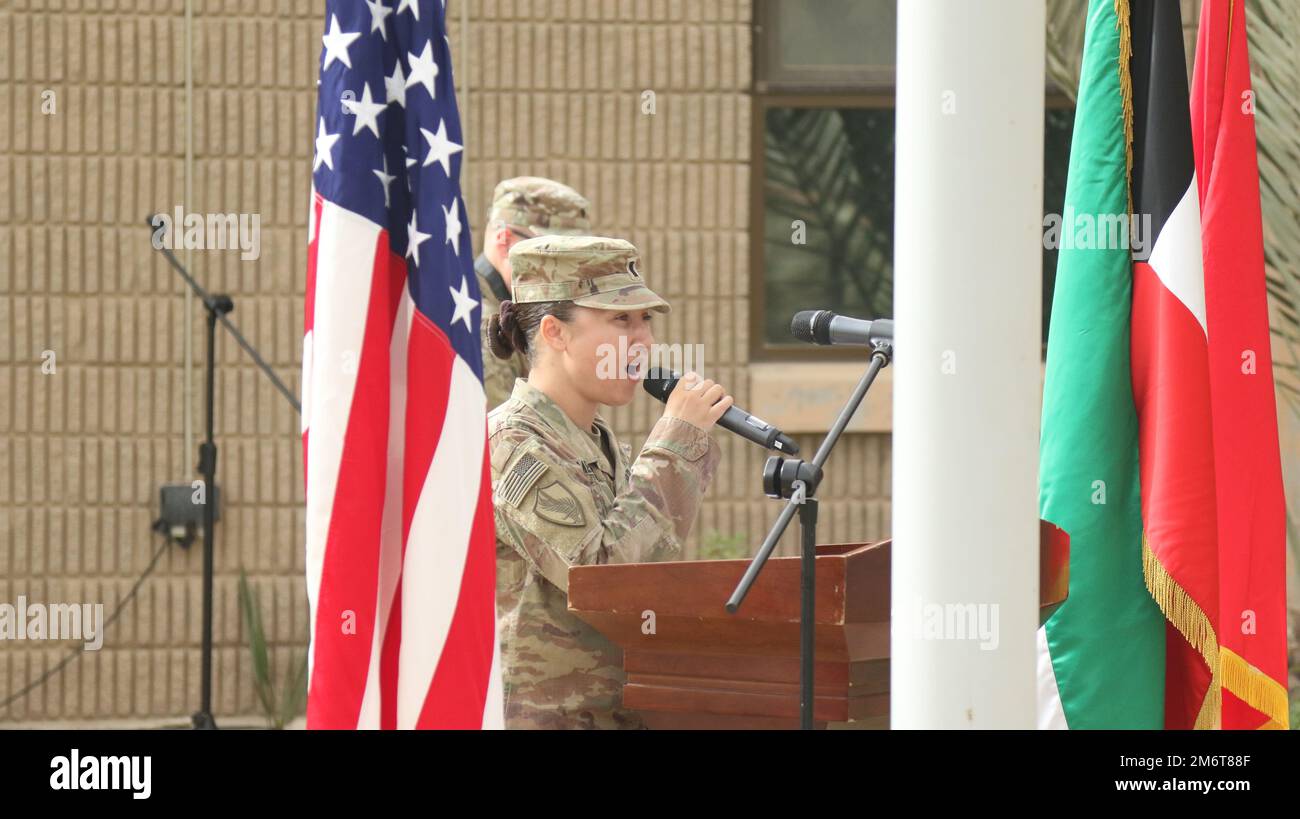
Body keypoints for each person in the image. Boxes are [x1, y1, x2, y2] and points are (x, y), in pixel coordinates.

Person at [486, 234, 733, 729]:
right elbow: (602, 576)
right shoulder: (510, 445)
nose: (644, 341)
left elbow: (649, 578)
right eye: (621, 320)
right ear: (555, 332)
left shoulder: (600, 444)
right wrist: (673, 445)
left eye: (646, 321)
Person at [475, 176, 591, 410]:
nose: (565, 268)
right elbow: (497, 442)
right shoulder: (483, 329)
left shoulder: (515, 311)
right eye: (550, 251)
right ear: (505, 240)